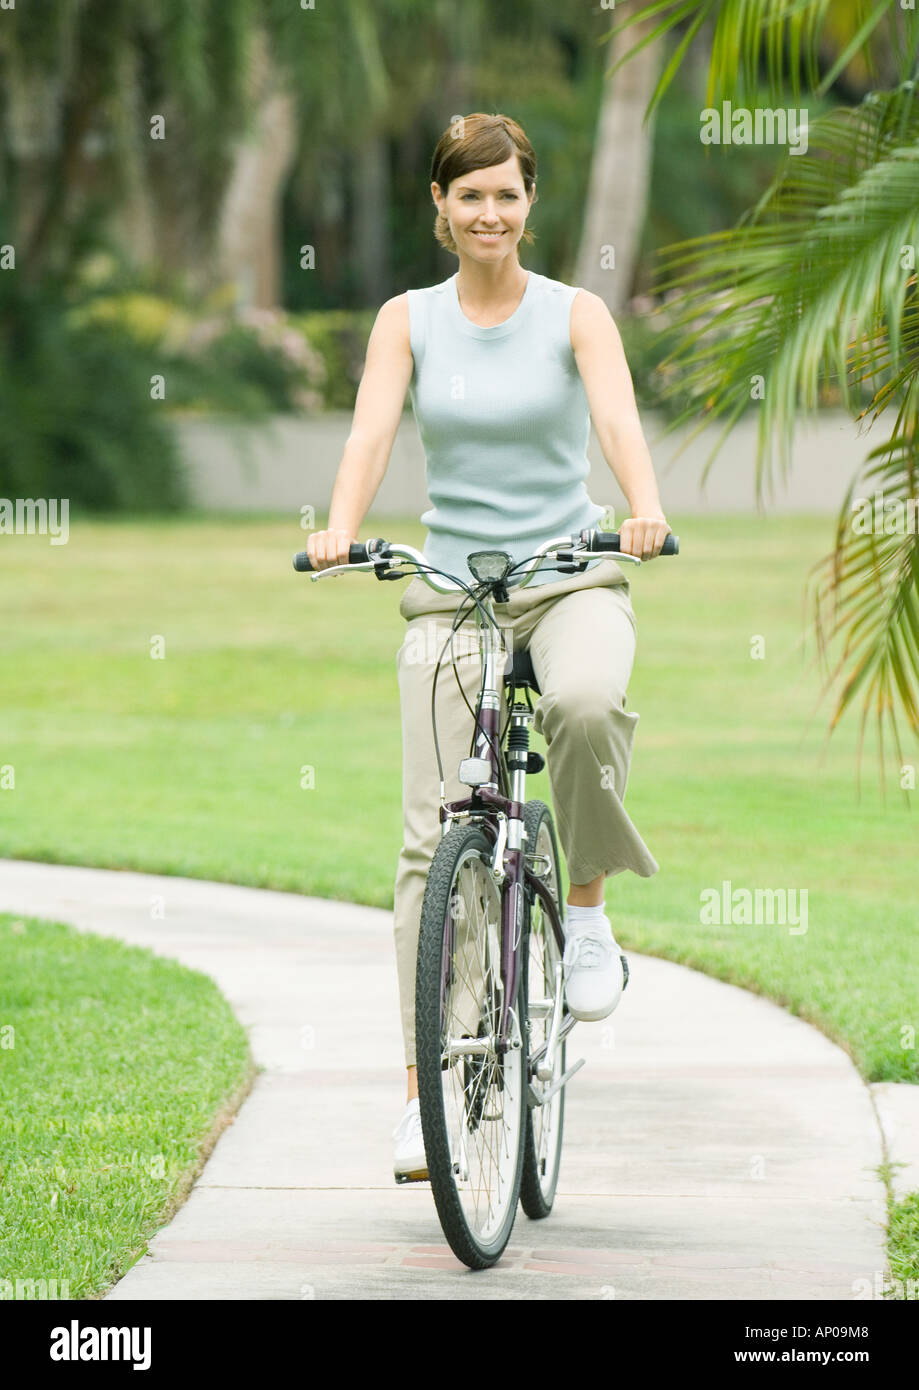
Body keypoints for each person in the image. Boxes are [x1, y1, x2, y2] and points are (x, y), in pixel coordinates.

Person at [306, 113, 671, 1183]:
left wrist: (642, 509)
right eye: (469, 197)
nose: (489, 214)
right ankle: (423, 1099)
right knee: (431, 840)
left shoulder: (575, 314)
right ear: (439, 206)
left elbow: (615, 421)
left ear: (528, 202)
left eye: (506, 195)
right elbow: (371, 429)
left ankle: (590, 912)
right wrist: (337, 523)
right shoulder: (406, 321)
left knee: (587, 704)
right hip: (452, 591)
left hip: (569, 577)